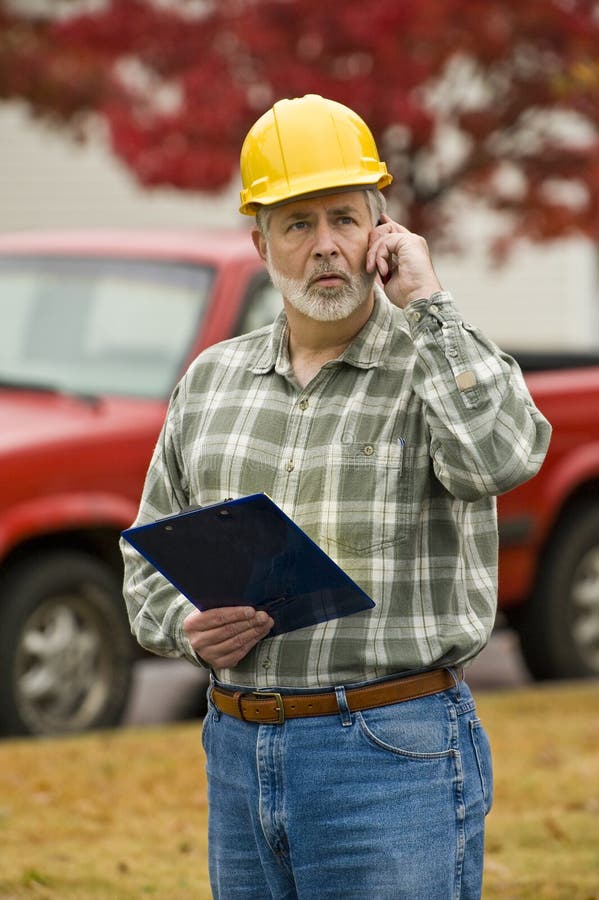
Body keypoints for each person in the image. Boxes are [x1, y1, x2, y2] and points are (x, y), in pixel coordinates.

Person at [121, 94, 551, 899]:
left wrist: (427, 302)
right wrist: (184, 627)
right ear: (260, 243)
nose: (324, 246)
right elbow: (146, 555)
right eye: (297, 224)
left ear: (381, 233)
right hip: (237, 754)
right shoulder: (210, 382)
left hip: (391, 755)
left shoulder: (436, 365)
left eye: (344, 219)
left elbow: (503, 456)